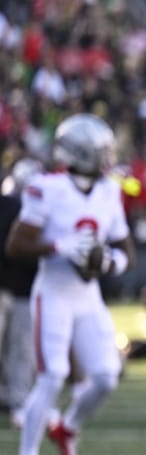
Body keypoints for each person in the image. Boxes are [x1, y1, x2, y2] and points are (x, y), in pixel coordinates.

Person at [5, 114, 134, 455]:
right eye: (101, 151)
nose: (108, 158)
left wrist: (111, 262)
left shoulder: (110, 192)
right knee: (52, 376)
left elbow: (125, 250)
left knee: (107, 376)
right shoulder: (46, 189)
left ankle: (67, 428)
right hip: (54, 293)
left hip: (87, 295)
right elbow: (15, 245)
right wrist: (60, 246)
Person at [0, 159, 43, 428]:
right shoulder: (11, 207)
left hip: (22, 289)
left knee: (20, 349)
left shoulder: (38, 209)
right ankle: (16, 399)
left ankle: (16, 399)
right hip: (17, 288)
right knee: (20, 350)